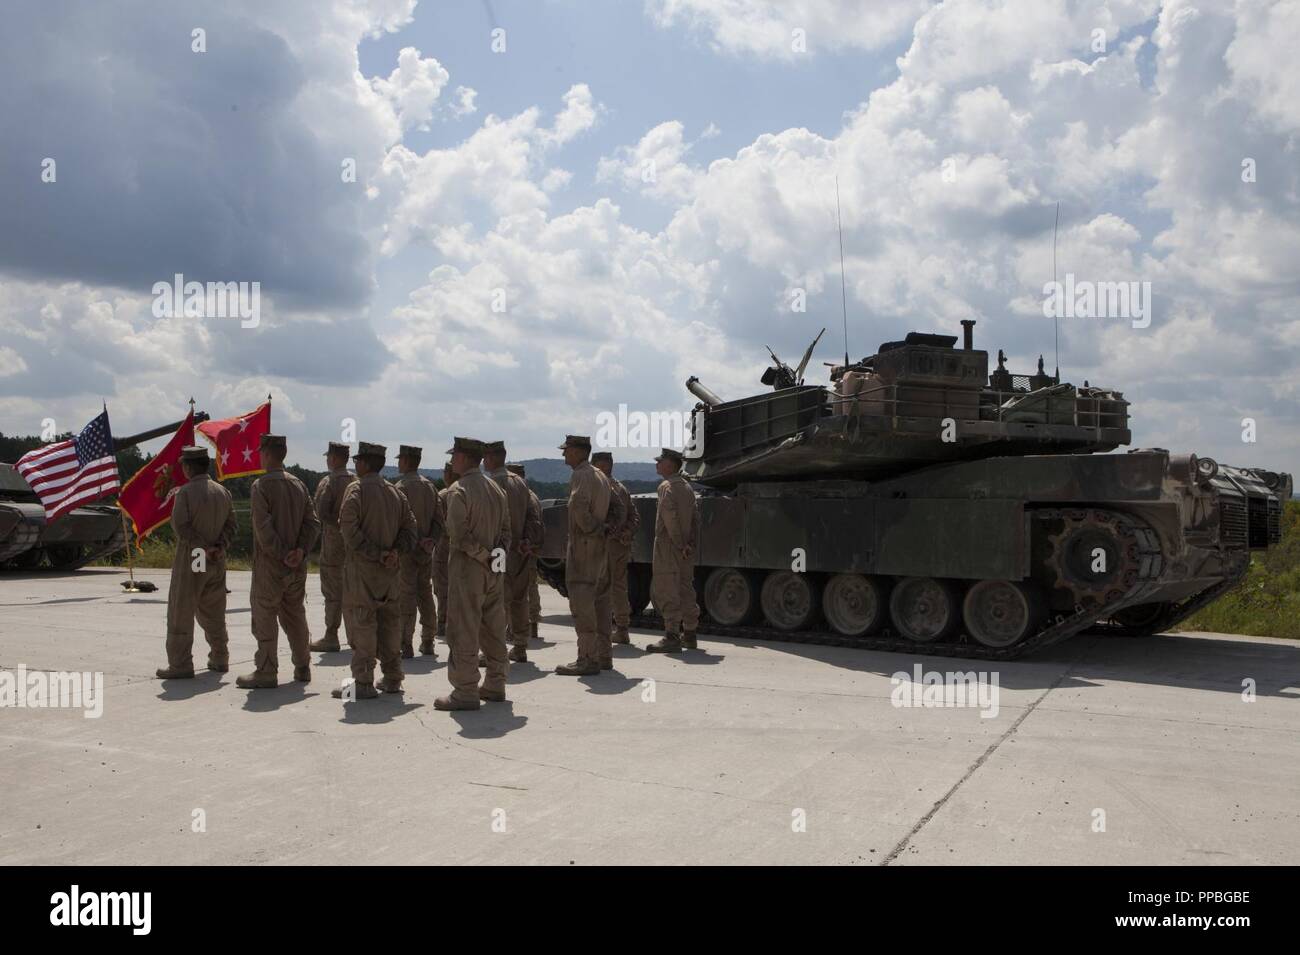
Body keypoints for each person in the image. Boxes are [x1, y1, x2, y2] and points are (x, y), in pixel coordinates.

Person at [331, 442, 417, 700]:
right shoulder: (395, 493)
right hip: (390, 573)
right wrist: (394, 553)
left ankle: (362, 682)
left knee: (362, 625)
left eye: (358, 461)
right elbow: (411, 529)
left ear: (365, 464)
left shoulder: (355, 490)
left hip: (363, 572)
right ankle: (392, 677)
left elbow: (348, 528)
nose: (355, 465)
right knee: (390, 624)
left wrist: (375, 553)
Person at [238, 434, 321, 689]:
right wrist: (300, 550)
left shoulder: (260, 487)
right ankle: (302, 665)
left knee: (264, 616)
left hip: (271, 566)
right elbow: (313, 523)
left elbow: (263, 530)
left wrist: (282, 552)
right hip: (297, 566)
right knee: (295, 616)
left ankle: (266, 669)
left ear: (266, 453)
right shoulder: (299, 485)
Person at [435, 438, 511, 712]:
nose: (452, 461)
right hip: (494, 570)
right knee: (493, 628)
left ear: (465, 458)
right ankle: (495, 683)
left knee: (463, 629)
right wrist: (496, 561)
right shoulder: (495, 489)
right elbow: (506, 532)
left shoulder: (459, 490)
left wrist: (483, 556)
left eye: (454, 455)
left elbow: (459, 535)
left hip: (469, 569)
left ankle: (465, 690)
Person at [156, 446, 236, 679]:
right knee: (214, 610)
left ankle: (180, 663)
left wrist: (203, 546)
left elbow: (181, 526)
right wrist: (219, 546)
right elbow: (231, 525)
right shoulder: (223, 492)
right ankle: (220, 656)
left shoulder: (186, 492)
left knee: (182, 608)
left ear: (189, 467)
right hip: (216, 558)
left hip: (197, 557)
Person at [554, 435, 612, 675]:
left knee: (582, 602)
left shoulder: (581, 474)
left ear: (579, 452)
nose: (563, 454)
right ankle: (603, 655)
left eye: (567, 450)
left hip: (583, 547)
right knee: (600, 603)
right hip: (598, 548)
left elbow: (579, 507)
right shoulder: (600, 475)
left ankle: (586, 658)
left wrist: (591, 529)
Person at [485, 442, 542, 662]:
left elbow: (489, 520)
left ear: (490, 458)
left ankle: (494, 649)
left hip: (499, 551)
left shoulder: (491, 483)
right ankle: (520, 645)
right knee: (519, 600)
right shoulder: (520, 482)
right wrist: (528, 541)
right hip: (519, 551)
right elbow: (533, 516)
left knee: (495, 599)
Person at [645, 448, 701, 653]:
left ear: (670, 465)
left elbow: (670, 519)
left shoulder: (666, 487)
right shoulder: (687, 487)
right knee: (685, 589)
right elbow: (695, 519)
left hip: (669, 547)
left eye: (660, 461)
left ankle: (671, 636)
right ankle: (690, 634)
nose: (657, 464)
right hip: (685, 548)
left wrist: (679, 544)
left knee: (667, 588)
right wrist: (689, 544)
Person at [393, 445, 443, 658]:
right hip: (425, 550)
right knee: (425, 595)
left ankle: (406, 642)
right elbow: (439, 520)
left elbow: (397, 521)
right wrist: (430, 540)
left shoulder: (400, 487)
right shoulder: (430, 487)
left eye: (400, 460)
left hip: (406, 551)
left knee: (406, 597)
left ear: (405, 461)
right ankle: (428, 639)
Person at [309, 442, 354, 653]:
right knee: (353, 590)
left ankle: (331, 634)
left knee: (332, 592)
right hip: (354, 545)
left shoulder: (330, 482)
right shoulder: (356, 480)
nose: (327, 461)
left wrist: (336, 524)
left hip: (334, 544)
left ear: (335, 459)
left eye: (329, 457)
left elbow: (320, 511)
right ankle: (355, 635)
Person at [592, 451, 639, 644]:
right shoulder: (621, 487)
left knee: (600, 588)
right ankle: (622, 627)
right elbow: (634, 516)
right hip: (620, 545)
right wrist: (628, 531)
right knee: (619, 587)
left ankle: (600, 629)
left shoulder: (601, 487)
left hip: (604, 544)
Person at [508, 462, 543, 640]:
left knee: (515, 590)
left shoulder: (521, 496)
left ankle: (516, 627)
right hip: (529, 548)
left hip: (519, 549)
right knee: (530, 587)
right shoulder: (532, 496)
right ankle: (532, 624)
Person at [432, 461, 457, 637]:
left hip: (443, 547)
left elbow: (436, 524)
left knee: (442, 587)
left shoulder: (444, 495)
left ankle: (442, 622)